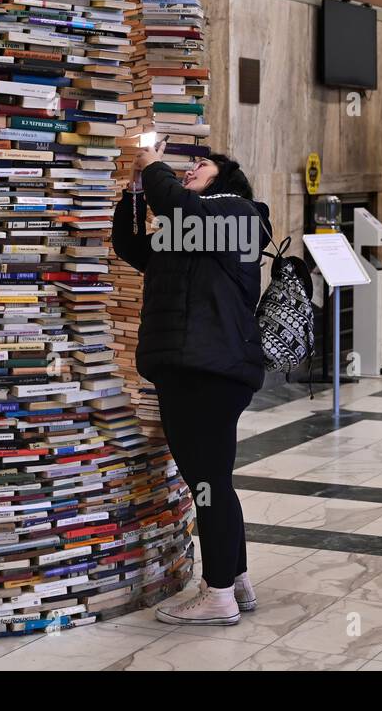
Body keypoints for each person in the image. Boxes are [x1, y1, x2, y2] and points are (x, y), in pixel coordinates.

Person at [112, 147, 271, 627]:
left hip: (207, 370)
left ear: (228, 179)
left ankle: (217, 594)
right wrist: (135, 188)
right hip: (193, 368)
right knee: (214, 481)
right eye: (187, 168)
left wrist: (151, 165)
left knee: (205, 484)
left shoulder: (238, 214)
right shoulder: (187, 234)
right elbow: (131, 246)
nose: (189, 171)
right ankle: (235, 578)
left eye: (201, 166)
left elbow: (180, 206)